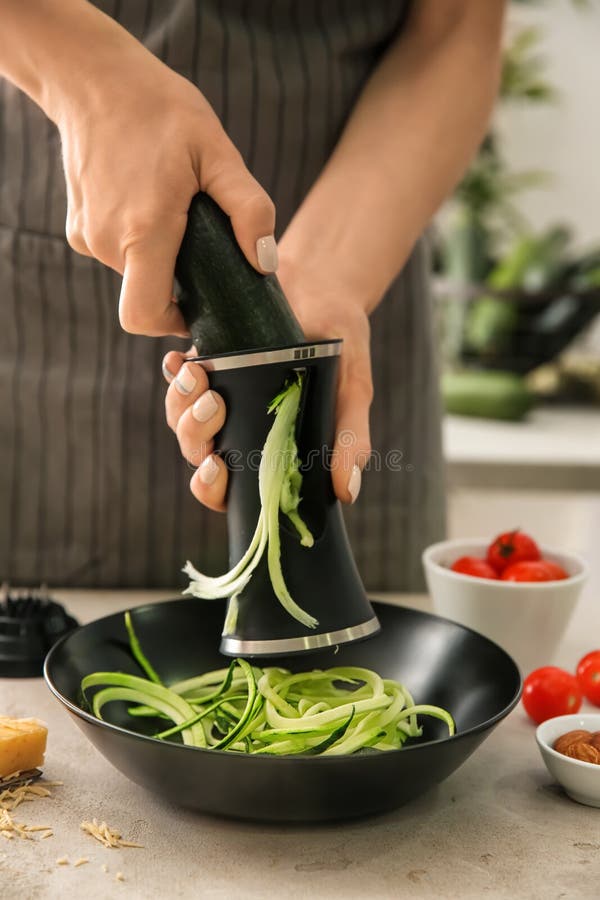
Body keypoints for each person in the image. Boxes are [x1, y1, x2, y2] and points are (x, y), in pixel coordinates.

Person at [0, 0, 505, 590]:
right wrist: (87, 73)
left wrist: (328, 273)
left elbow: (453, 30)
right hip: (51, 290)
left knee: (347, 634)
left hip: (355, 258)